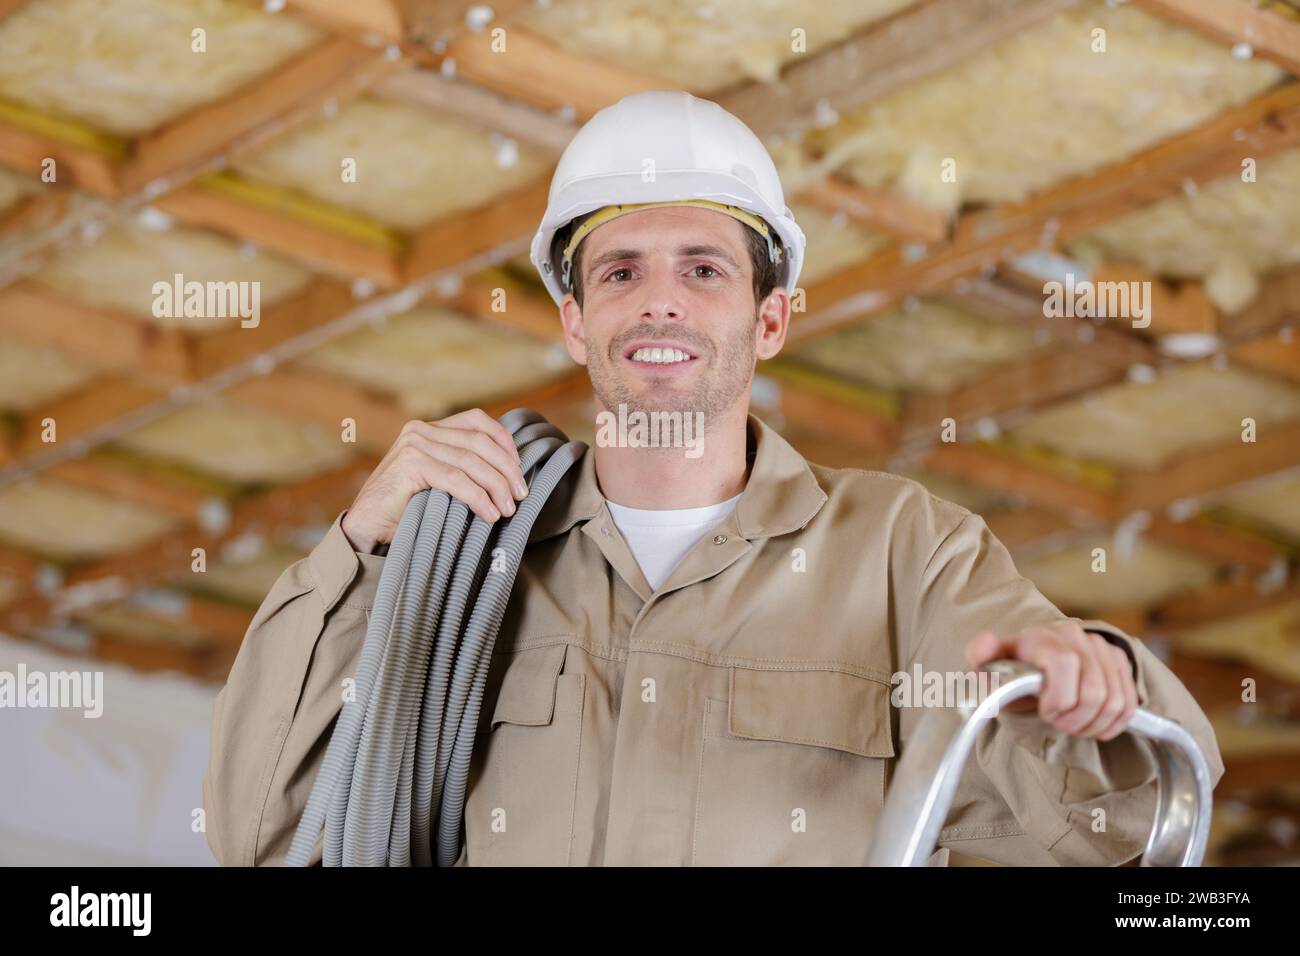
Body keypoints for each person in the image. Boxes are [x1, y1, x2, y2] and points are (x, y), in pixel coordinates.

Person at [203, 90, 1223, 867]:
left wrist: (1094, 680)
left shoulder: (905, 552)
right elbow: (261, 828)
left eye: (702, 268)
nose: (659, 304)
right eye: (619, 270)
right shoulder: (468, 550)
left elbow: (1121, 828)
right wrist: (365, 541)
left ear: (768, 319)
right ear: (574, 319)